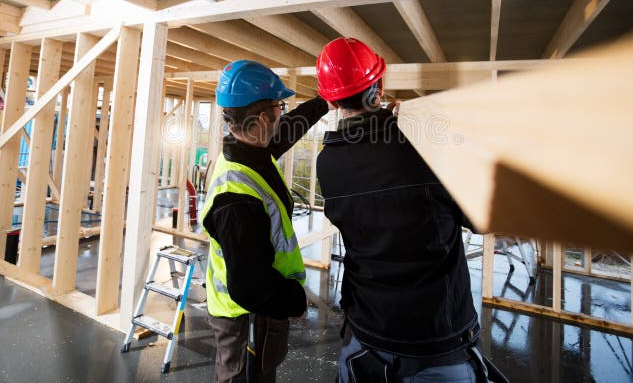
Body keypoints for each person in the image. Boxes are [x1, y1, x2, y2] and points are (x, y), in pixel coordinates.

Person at [315, 38, 491, 383]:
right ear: (377, 89)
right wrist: (420, 124)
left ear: (331, 99)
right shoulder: (426, 147)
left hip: (366, 333)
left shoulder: (328, 162)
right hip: (435, 340)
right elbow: (480, 218)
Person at [201, 60, 329, 383]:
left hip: (253, 312)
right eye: (279, 107)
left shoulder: (247, 147)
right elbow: (248, 287)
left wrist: (323, 102)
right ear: (261, 119)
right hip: (242, 317)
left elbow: (288, 130)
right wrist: (295, 301)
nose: (282, 114)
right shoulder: (236, 199)